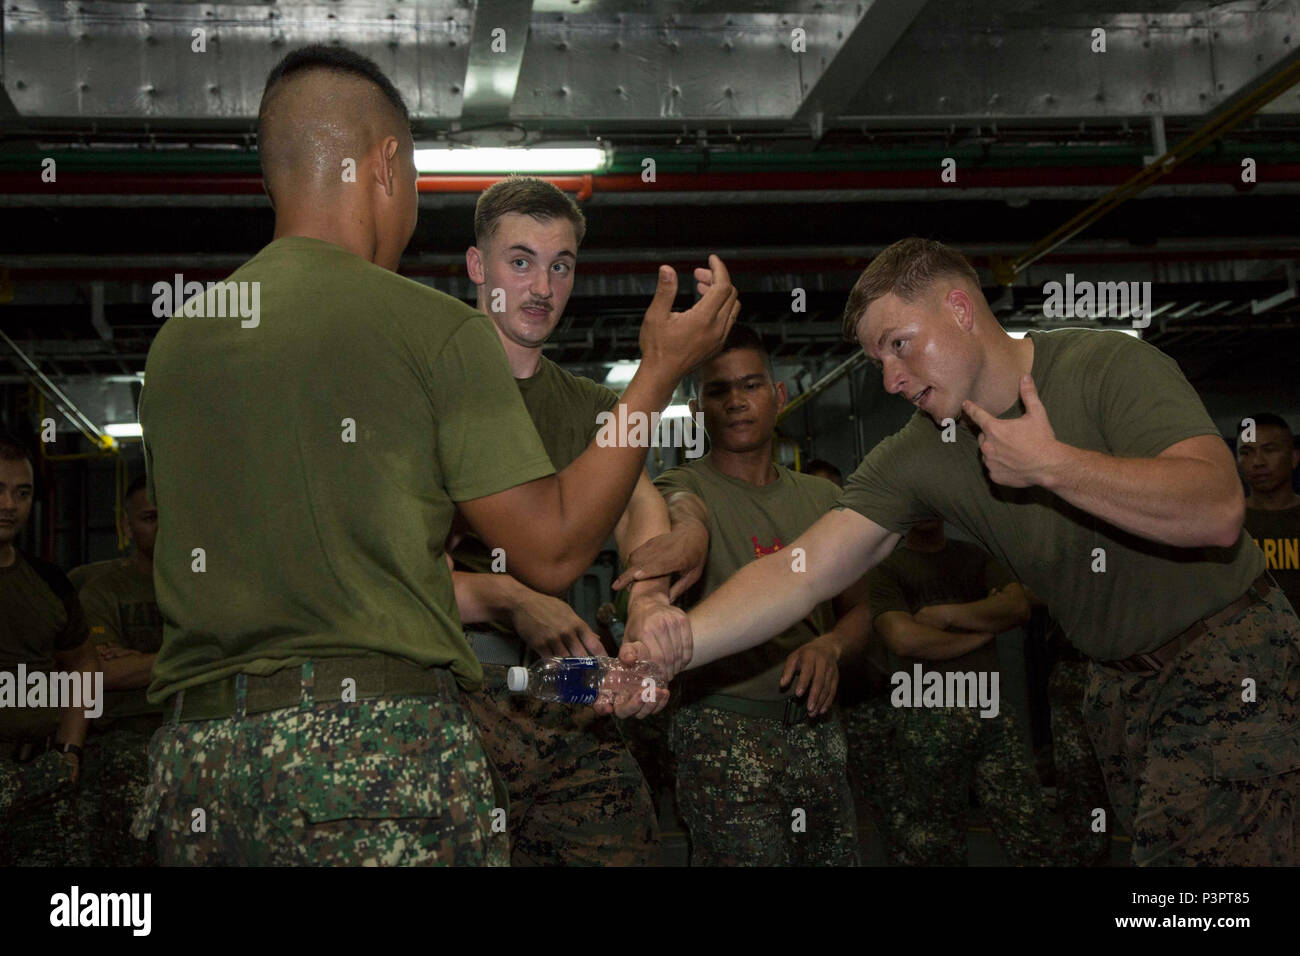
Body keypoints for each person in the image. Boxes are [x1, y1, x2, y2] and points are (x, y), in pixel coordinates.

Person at [134, 45, 737, 866]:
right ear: (386, 166)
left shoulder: (175, 347)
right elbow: (554, 548)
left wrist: (668, 556)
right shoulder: (430, 329)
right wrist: (660, 372)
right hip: (367, 756)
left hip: (199, 764)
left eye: (558, 264)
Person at [622, 236, 1299, 866]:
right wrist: (673, 647)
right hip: (1115, 686)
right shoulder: (921, 452)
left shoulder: (1106, 365)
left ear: (958, 308)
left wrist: (1053, 466)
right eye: (877, 360)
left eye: (899, 345)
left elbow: (1215, 509)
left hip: (1228, 656)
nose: (890, 379)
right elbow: (803, 573)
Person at [449, 176, 695, 865]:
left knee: (621, 839)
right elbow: (389, 566)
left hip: (559, 679)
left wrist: (646, 600)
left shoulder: (587, 405)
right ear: (477, 267)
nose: (542, 287)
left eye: (560, 266)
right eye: (519, 260)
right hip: (448, 682)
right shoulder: (429, 389)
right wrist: (506, 596)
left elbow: (638, 504)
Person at [627, 325, 867, 866]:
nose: (736, 401)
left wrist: (831, 646)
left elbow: (861, 612)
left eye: (751, 385)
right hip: (721, 730)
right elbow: (685, 511)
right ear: (696, 411)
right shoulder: (680, 487)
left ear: (778, 397)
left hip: (817, 729)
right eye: (718, 390)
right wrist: (688, 533)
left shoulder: (826, 498)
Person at [865, 518, 1062, 865]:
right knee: (935, 845)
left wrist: (945, 615)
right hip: (925, 711)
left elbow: (1016, 607)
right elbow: (905, 639)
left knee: (1030, 833)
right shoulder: (887, 569)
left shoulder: (975, 556)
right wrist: (983, 630)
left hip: (989, 708)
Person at [0, 433, 97, 866]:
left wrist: (69, 752)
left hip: (41, 776)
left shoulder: (51, 583)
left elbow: (84, 666)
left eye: (22, 493)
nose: (9, 505)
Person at [76, 474, 163, 866]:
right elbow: (97, 674)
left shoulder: (206, 586)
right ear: (127, 526)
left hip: (191, 726)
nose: (163, 528)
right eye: (150, 517)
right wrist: (190, 660)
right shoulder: (102, 590)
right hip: (124, 734)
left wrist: (135, 660)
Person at [1237, 412, 1300, 612]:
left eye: (1269, 450)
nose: (1257, 462)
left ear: (1294, 458)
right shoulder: (1226, 523)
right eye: (1246, 452)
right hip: (1248, 639)